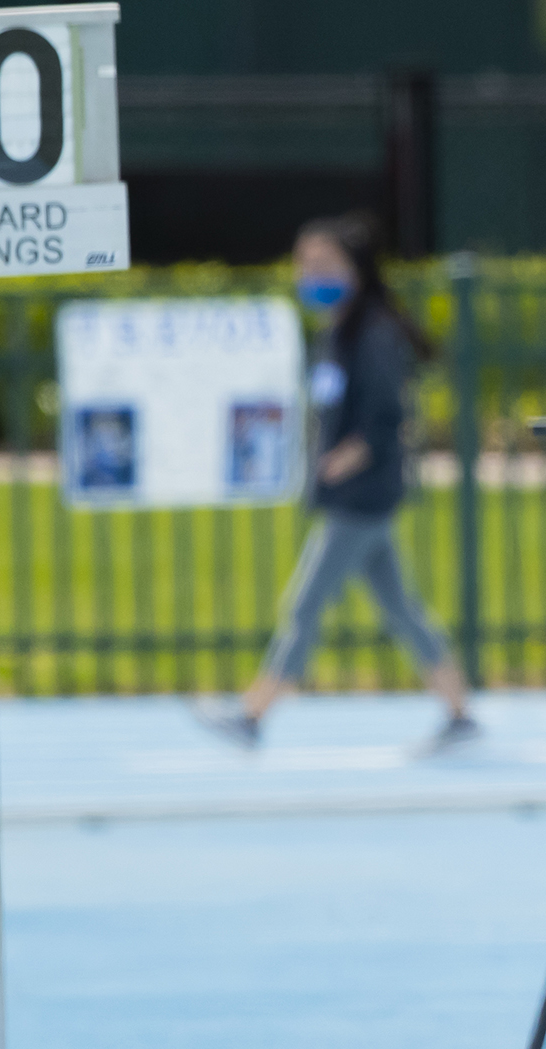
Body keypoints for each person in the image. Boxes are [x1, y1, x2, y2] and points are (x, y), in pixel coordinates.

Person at [198, 213, 477, 752]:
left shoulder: (373, 333)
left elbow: (386, 415)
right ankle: (460, 711)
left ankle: (253, 715)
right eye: (306, 263)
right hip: (356, 497)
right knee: (401, 608)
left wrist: (344, 460)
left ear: (357, 268)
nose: (310, 273)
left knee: (305, 606)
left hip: (361, 498)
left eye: (324, 263)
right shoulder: (342, 330)